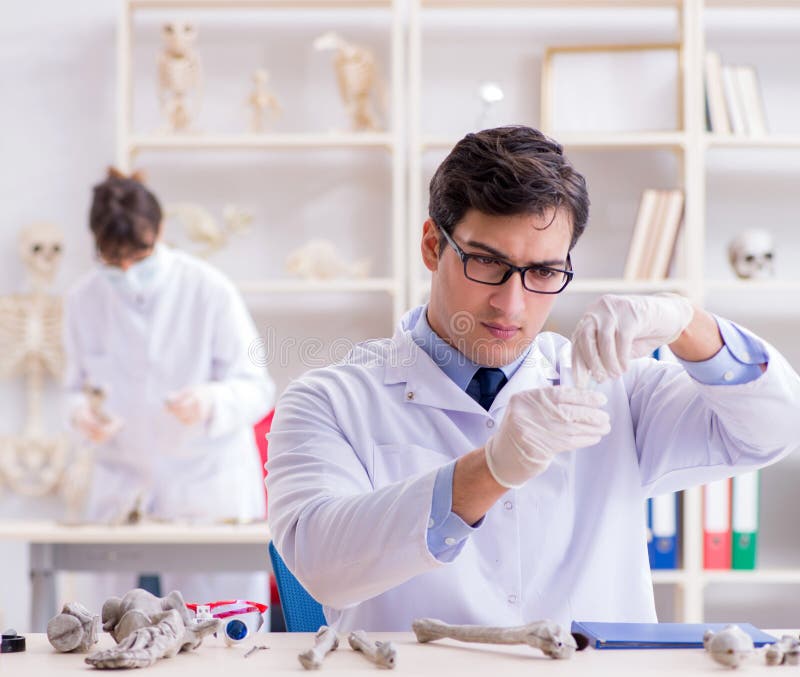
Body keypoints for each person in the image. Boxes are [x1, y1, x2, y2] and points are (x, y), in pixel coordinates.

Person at [266, 126, 800, 632]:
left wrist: (690, 325)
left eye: (543, 272)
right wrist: (490, 471)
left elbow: (774, 430)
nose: (511, 303)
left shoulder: (620, 389)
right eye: (485, 262)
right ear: (432, 246)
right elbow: (322, 567)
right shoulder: (328, 401)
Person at [64, 168, 275, 605]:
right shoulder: (83, 300)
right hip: (121, 486)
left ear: (159, 232)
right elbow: (72, 389)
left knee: (219, 634)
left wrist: (210, 401)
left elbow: (257, 387)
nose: (126, 269)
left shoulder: (209, 290)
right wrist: (79, 414)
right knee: (106, 630)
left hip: (205, 484)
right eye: (112, 259)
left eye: (138, 258)